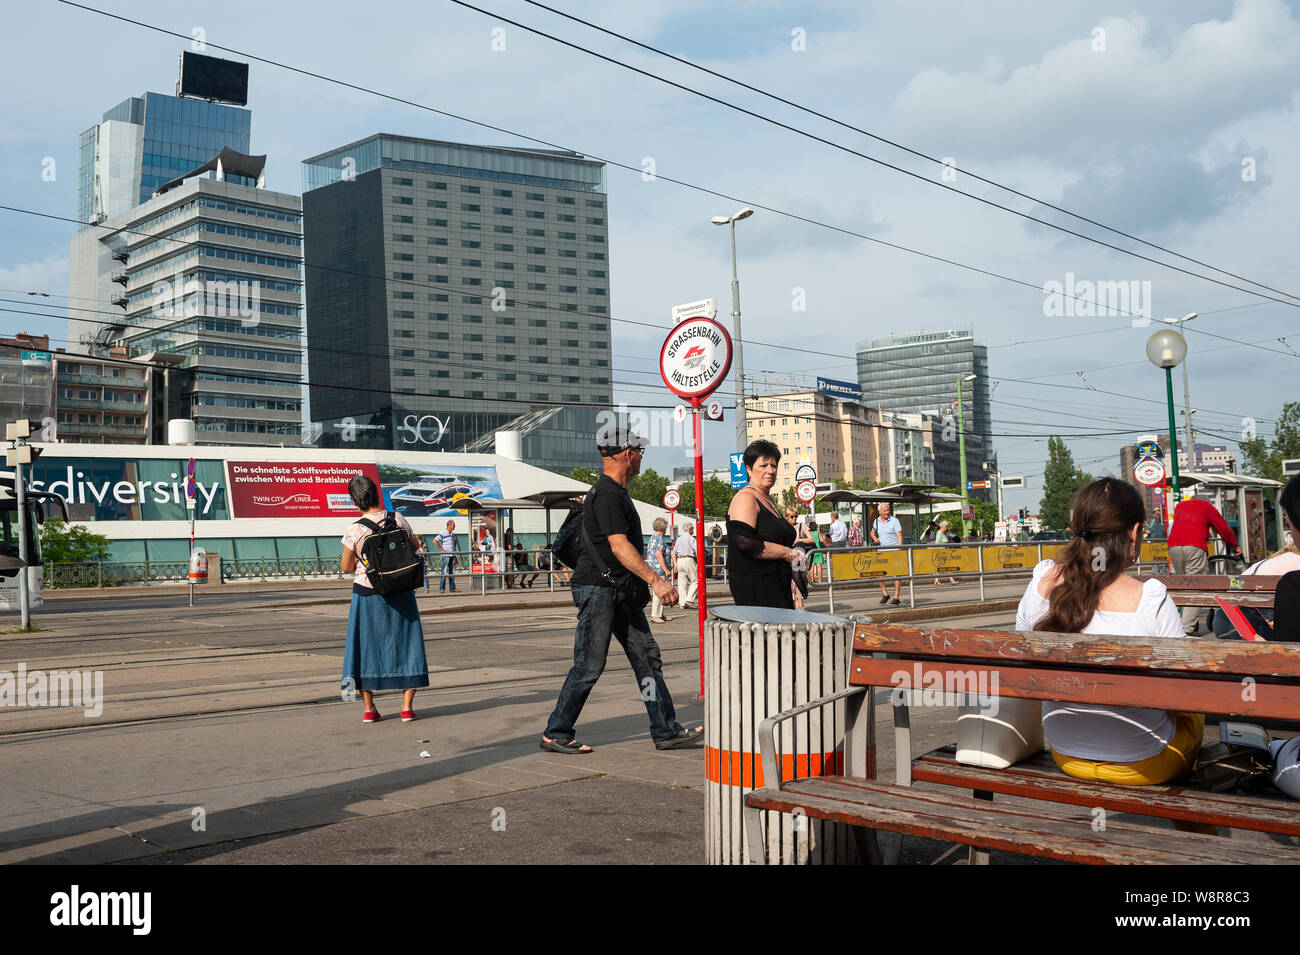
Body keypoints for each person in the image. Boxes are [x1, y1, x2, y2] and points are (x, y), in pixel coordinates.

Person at [1018, 477, 1208, 798]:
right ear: (1132, 534)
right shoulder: (1151, 597)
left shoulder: (1041, 582)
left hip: (1068, 754)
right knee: (1195, 711)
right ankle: (1201, 836)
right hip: (1147, 762)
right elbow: (1183, 688)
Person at [541, 428, 701, 754]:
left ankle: (664, 728)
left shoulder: (612, 492)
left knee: (647, 660)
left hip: (618, 591)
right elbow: (619, 546)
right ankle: (556, 731)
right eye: (640, 452)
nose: (642, 457)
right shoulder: (609, 494)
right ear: (628, 454)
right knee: (589, 665)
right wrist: (656, 580)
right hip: (599, 590)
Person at [339, 474, 429, 724]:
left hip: (367, 594)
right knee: (409, 645)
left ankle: (369, 709)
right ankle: (406, 708)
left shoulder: (355, 529)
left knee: (364, 648)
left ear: (355, 501)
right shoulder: (399, 519)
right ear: (378, 495)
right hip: (402, 591)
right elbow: (413, 545)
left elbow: (346, 567)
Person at [1211, 474, 1300, 640]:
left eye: (1290, 524)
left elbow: (1287, 656)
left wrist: (1265, 648)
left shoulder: (1293, 585)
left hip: (1230, 617)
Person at [725, 439, 804, 609]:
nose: (770, 470)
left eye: (774, 465)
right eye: (763, 465)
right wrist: (787, 553)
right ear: (749, 469)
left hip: (776, 582)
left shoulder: (767, 500)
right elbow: (745, 543)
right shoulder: (746, 497)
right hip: (756, 584)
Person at [1167, 495, 1242, 634]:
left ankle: (1178, 623)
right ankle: (1186, 629)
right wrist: (1235, 545)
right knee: (1195, 587)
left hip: (1174, 547)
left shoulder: (1181, 506)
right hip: (1195, 546)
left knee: (1183, 585)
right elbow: (1223, 527)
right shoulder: (1206, 506)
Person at [871, 502, 903, 605]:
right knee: (879, 573)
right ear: (879, 512)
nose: (887, 512)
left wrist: (899, 549)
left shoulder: (894, 521)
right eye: (884, 511)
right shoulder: (876, 521)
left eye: (888, 510)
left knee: (896, 574)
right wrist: (875, 538)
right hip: (882, 552)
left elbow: (899, 536)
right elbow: (872, 532)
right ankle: (885, 594)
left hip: (894, 551)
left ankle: (896, 597)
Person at [645, 517, 674, 623]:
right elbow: (659, 555)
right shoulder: (659, 539)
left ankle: (660, 614)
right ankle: (655, 615)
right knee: (659, 592)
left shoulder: (653, 538)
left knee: (660, 592)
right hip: (659, 570)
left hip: (653, 569)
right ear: (663, 528)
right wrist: (666, 569)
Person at [673, 521, 698, 609]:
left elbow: (674, 552)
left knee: (682, 583)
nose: (693, 530)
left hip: (679, 560)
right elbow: (697, 550)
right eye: (693, 529)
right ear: (690, 529)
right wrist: (699, 562)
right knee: (696, 580)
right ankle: (689, 600)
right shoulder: (691, 539)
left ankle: (682, 603)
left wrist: (675, 564)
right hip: (688, 559)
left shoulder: (679, 539)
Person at [434, 519, 457, 593]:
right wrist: (441, 549)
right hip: (445, 556)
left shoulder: (452, 534)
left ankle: (452, 588)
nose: (454, 526)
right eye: (454, 525)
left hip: (452, 555)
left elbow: (455, 541)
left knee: (452, 572)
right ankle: (442, 588)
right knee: (444, 572)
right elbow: (435, 541)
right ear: (449, 525)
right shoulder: (443, 533)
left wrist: (454, 548)